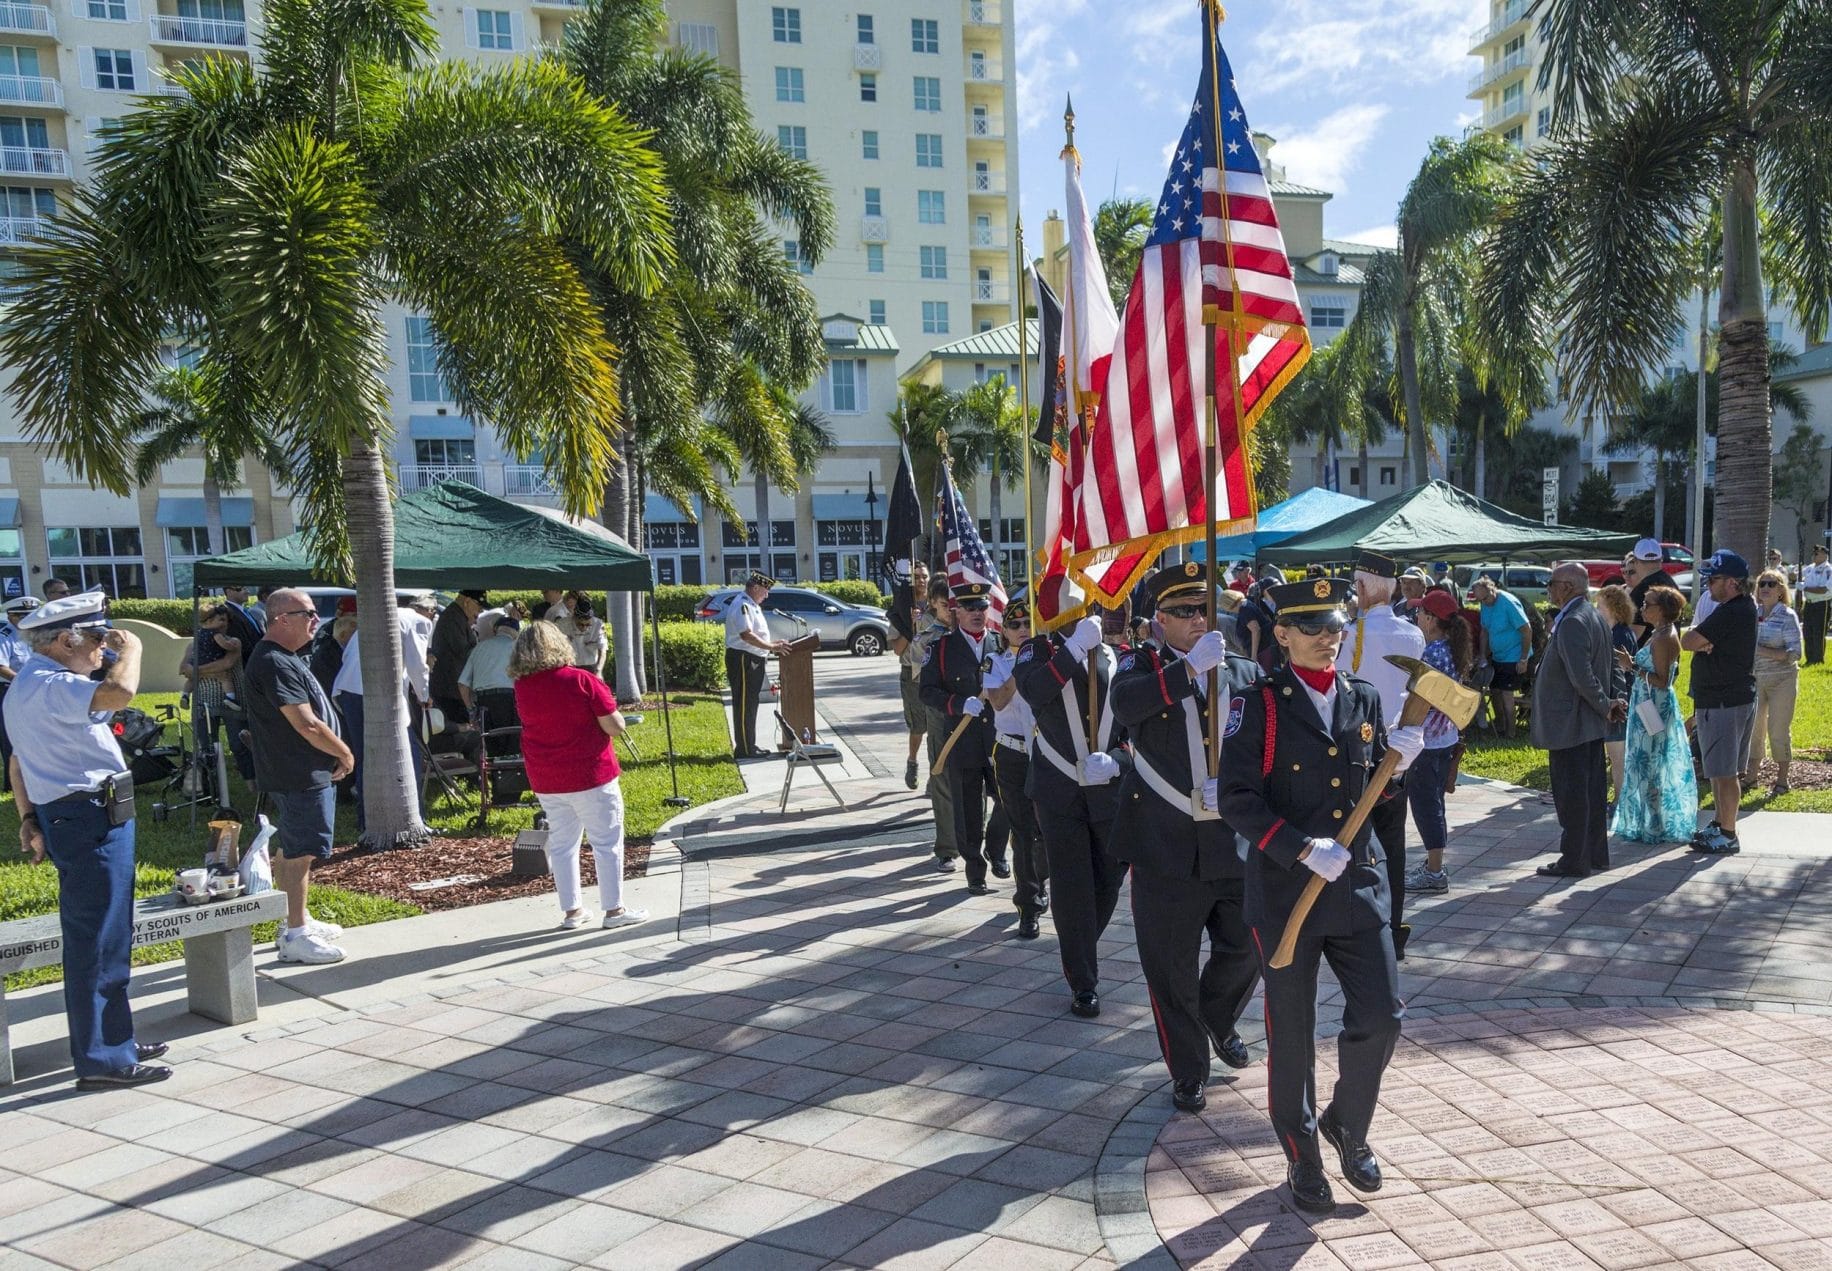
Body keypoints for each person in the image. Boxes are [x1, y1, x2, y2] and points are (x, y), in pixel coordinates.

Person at [1219, 577, 1415, 1215]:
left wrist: (1398, 767)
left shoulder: (1362, 696)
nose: (1329, 638)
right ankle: (1302, 1153)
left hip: (1357, 885)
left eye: (1335, 626)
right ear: (1281, 634)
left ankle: (1347, 1124)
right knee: (1293, 1034)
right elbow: (1236, 799)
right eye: (1313, 628)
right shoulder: (1258, 704)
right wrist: (1300, 847)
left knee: (1382, 1015)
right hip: (1287, 893)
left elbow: (1371, 796)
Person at [1110, 563, 1261, 1108]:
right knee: (1170, 966)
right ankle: (1189, 1068)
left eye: (1204, 609)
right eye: (1184, 611)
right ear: (1160, 621)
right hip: (1164, 843)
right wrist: (1187, 672)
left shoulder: (1242, 672)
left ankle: (1216, 1016)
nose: (1198, 619)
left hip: (1232, 842)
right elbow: (1125, 707)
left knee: (1249, 946)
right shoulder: (1139, 666)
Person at [6, 594, 168, 1089]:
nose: (105, 650)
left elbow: (18, 761)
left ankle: (115, 1039)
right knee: (97, 942)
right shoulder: (52, 685)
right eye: (98, 639)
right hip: (88, 818)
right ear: (64, 641)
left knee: (108, 935)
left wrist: (29, 817)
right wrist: (133, 648)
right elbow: (120, 693)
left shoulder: (37, 683)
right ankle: (102, 1059)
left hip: (82, 815)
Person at [1016, 601, 1129, 1013]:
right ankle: (1083, 981)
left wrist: (1118, 761)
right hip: (1058, 789)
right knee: (1071, 885)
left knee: (1109, 880)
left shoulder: (1121, 656)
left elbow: (1137, 727)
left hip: (1108, 789)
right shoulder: (1037, 651)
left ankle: (1078, 942)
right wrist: (1074, 648)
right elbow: (1034, 691)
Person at [510, 619, 647, 930]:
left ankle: (573, 911)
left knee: (562, 844)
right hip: (590, 773)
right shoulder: (582, 680)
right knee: (606, 842)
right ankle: (614, 910)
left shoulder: (522, 686)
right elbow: (615, 725)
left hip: (547, 777)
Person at [244, 589, 355, 965]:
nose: (316, 620)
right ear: (281, 619)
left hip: (297, 770)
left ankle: (296, 918)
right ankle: (295, 935)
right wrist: (343, 752)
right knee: (299, 852)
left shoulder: (282, 657)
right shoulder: (274, 661)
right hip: (298, 771)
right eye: (307, 613)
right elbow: (306, 724)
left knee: (294, 848)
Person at [1343, 552, 1425, 958]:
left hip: (1356, 753)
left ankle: (1361, 927)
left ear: (1361, 587)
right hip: (1399, 751)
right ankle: (1392, 928)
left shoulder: (1348, 634)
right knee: (1392, 844)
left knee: (1353, 843)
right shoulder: (1412, 633)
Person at [1531, 564, 1625, 879]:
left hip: (1571, 724)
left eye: (1552, 583)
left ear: (1568, 587)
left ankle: (1574, 860)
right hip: (1586, 723)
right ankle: (1595, 855)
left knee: (1572, 796)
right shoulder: (1593, 615)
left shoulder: (1573, 620)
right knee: (1591, 794)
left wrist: (1605, 704)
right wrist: (1611, 701)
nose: (1548, 589)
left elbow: (1581, 675)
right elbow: (1610, 666)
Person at [920, 581, 1005, 896]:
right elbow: (926, 691)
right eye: (970, 608)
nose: (977, 613)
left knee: (1008, 799)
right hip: (961, 739)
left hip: (998, 738)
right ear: (957, 611)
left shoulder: (999, 643)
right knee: (968, 810)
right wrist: (956, 704)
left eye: (982, 607)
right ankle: (975, 871)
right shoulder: (941, 648)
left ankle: (996, 848)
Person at [1683, 550, 1759, 854]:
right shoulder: (1733, 608)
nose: (1708, 585)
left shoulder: (1733, 610)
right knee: (1717, 770)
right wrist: (1703, 641)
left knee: (1725, 773)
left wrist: (1701, 640)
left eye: (1713, 579)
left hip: (1725, 701)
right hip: (1721, 699)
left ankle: (1728, 832)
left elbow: (1688, 641)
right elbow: (1695, 641)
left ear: (1732, 582)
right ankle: (1719, 823)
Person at [332, 600, 432, 830]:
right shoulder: (420, 622)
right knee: (408, 754)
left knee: (365, 758)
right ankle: (416, 818)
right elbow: (417, 665)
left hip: (349, 690)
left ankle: (366, 822)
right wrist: (424, 695)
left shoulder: (378, 616)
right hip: (377, 692)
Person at [1611, 586, 1695, 843]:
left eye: (1648, 604)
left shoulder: (1663, 638)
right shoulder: (1658, 633)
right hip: (1646, 702)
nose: (1643, 608)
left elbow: (1661, 680)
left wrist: (1631, 667)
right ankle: (1648, 821)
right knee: (1647, 762)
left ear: (1662, 609)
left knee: (1650, 763)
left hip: (1654, 705)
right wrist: (1632, 663)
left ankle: (1654, 824)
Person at [982, 599, 1045, 938]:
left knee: (1046, 829)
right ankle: (1028, 906)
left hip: (1046, 752)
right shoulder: (996, 661)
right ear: (1004, 631)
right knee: (1021, 832)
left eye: (1027, 623)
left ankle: (1040, 880)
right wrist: (1021, 667)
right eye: (1015, 625)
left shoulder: (1047, 658)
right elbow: (998, 700)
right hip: (1011, 753)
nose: (1022, 629)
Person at [1404, 590, 1472, 895]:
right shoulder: (1450, 649)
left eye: (1420, 613)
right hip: (1445, 738)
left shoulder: (1431, 654)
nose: (1416, 617)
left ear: (1431, 620)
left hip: (1427, 741)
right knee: (1435, 803)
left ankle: (1434, 872)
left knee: (1426, 807)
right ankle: (1434, 865)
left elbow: (1419, 699)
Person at [1742, 569, 1803, 798]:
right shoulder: (1752, 613)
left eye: (1771, 584)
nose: (1765, 588)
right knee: (1754, 729)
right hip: (1755, 679)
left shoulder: (1787, 615)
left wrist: (1760, 651)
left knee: (1778, 730)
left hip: (1782, 680)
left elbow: (1795, 653)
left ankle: (1782, 779)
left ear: (1780, 590)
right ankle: (1752, 776)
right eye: (1762, 584)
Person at [913, 576, 960, 868]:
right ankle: (947, 847)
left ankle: (973, 838)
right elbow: (924, 682)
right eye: (945, 606)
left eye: (956, 606)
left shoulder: (979, 635)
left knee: (976, 779)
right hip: (941, 716)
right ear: (933, 605)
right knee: (942, 779)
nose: (951, 612)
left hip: (973, 717)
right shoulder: (927, 639)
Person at [724, 572, 787, 758]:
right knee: (745, 703)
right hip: (743, 659)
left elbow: (756, 635)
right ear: (755, 587)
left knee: (750, 703)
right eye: (765, 591)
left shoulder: (751, 604)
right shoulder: (743, 604)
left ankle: (748, 745)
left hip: (751, 658)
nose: (767, 595)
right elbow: (746, 635)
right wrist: (771, 647)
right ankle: (745, 749)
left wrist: (772, 643)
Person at [888, 562, 931, 790]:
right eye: (916, 577)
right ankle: (912, 762)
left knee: (938, 725)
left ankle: (936, 773)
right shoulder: (902, 608)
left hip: (936, 671)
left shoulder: (938, 605)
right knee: (918, 725)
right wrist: (909, 626)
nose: (921, 581)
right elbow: (897, 649)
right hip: (912, 673)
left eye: (924, 576)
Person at [1595, 585, 1639, 805]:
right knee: (1616, 755)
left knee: (1617, 756)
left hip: (1619, 699)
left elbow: (1620, 668)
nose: (1596, 610)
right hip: (1617, 697)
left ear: (1613, 608)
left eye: (1600, 606)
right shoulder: (1616, 631)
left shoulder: (1619, 634)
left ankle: (1621, 801)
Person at [1471, 576, 1532, 738]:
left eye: (1485, 598)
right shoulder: (1485, 603)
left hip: (1514, 655)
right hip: (1497, 656)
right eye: (1479, 600)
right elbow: (1485, 631)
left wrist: (1523, 659)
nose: (1483, 603)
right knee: (1495, 691)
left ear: (1493, 589)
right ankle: (1500, 726)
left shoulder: (1508, 603)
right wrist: (1482, 655)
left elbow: (1526, 630)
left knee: (1506, 694)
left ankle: (1511, 733)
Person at [180, 603, 243, 752]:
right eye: (218, 619)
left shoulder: (233, 642)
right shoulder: (194, 645)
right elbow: (183, 670)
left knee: (239, 744)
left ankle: (245, 768)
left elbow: (226, 663)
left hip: (233, 702)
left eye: (224, 620)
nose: (222, 624)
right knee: (206, 746)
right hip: (203, 701)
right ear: (207, 622)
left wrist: (196, 671)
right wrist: (211, 673)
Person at [0, 594, 40, 792]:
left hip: (34, 690)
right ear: (11, 617)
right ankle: (12, 785)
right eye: (23, 616)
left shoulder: (36, 635)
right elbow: (1, 667)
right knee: (11, 738)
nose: (28, 619)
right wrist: (23, 681)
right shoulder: (4, 636)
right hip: (9, 691)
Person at [428, 589, 485, 724]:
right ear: (467, 601)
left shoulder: (458, 616)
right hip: (450, 690)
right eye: (479, 606)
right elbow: (463, 652)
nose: (480, 611)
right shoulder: (453, 618)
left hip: (453, 688)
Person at [460, 614, 520, 726]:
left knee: (488, 736)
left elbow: (462, 685)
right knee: (512, 735)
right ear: (516, 633)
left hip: (484, 702)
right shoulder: (518, 648)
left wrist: (471, 711)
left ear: (495, 630)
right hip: (511, 701)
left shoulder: (478, 648)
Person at [1624, 539, 1680, 646]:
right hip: (1670, 651)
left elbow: (1632, 636)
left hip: (1648, 654)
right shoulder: (1671, 584)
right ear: (1661, 559)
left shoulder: (1642, 590)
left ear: (1635, 561)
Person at [1796, 544, 1828, 665]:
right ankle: (1809, 658)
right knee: (1807, 631)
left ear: (1824, 555)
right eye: (1813, 553)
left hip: (1821, 603)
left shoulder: (1828, 570)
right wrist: (1796, 573)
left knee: (1818, 632)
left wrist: (1805, 587)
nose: (1813, 556)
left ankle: (1818, 659)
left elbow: (1824, 589)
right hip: (1809, 603)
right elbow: (1795, 575)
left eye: (1816, 554)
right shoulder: (1810, 568)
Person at [562, 592, 608, 675]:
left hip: (591, 665)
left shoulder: (598, 624)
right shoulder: (563, 624)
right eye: (580, 624)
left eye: (588, 625)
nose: (584, 628)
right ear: (574, 617)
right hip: (570, 666)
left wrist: (598, 670)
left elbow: (602, 649)